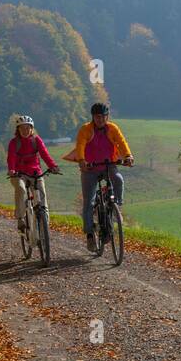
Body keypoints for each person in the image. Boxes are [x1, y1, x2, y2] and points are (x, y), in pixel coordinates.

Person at [63, 102, 133, 251]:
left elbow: (121, 142)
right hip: (90, 168)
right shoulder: (86, 130)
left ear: (107, 116)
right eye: (97, 117)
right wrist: (82, 160)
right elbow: (80, 145)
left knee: (118, 179)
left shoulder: (113, 128)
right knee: (89, 201)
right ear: (93, 117)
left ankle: (115, 207)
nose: (100, 119)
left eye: (102, 116)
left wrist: (128, 155)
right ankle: (89, 235)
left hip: (109, 165)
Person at [7, 115, 59, 231]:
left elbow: (45, 154)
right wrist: (11, 170)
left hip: (35, 172)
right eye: (22, 128)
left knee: (41, 194)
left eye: (28, 128)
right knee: (20, 189)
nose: (25, 131)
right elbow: (11, 158)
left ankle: (45, 221)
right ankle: (20, 218)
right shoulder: (14, 143)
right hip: (18, 173)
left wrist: (53, 166)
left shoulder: (36, 140)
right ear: (18, 130)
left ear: (32, 129)